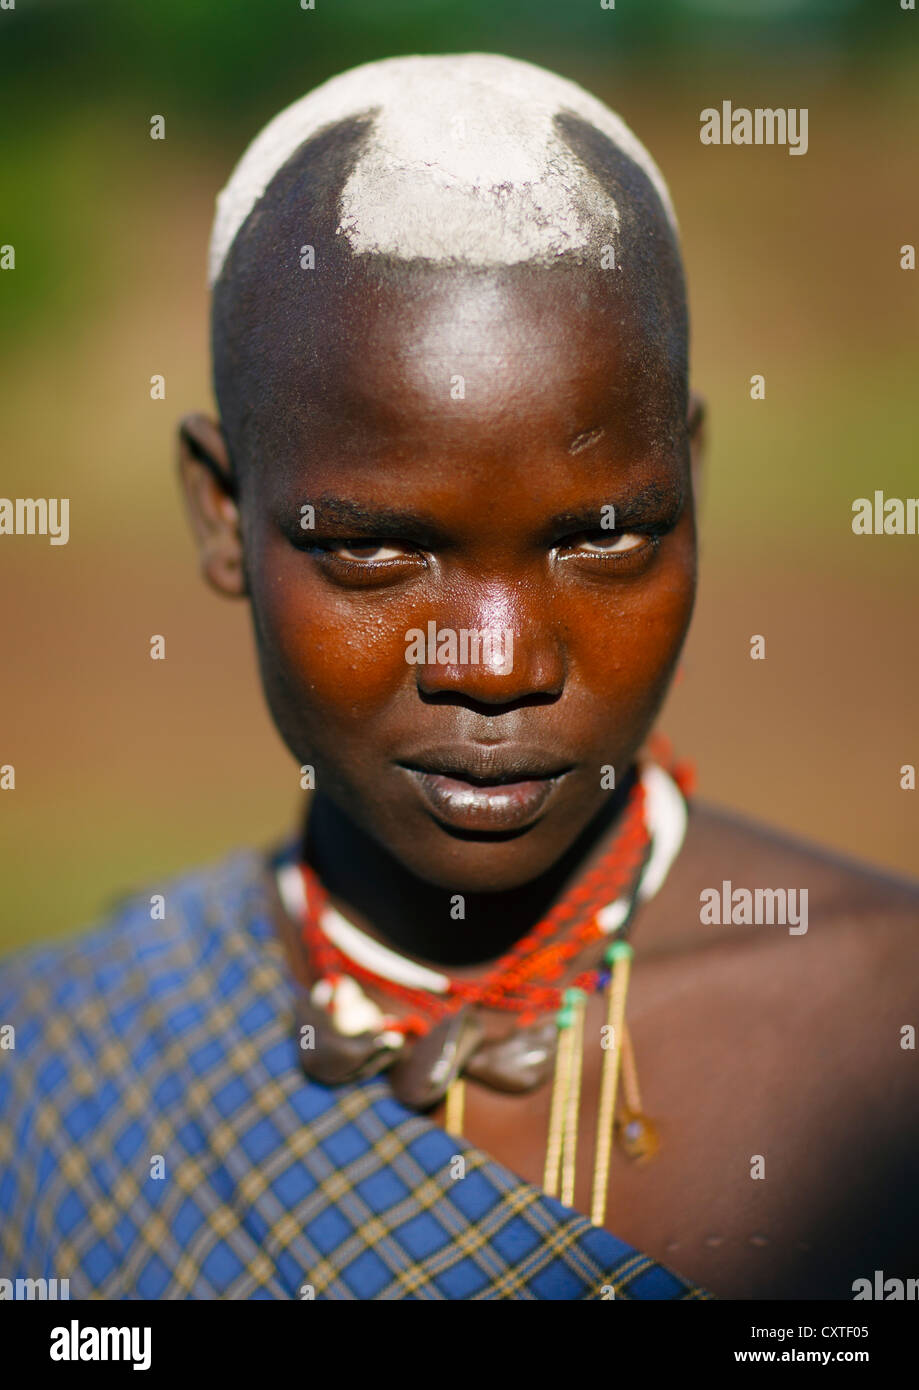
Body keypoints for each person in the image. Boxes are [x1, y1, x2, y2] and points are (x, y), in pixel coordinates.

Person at [1, 53, 917, 1302]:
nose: (499, 666)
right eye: (375, 547)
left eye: (603, 537)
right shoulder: (59, 1071)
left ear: (691, 486)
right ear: (223, 515)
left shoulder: (884, 1045)